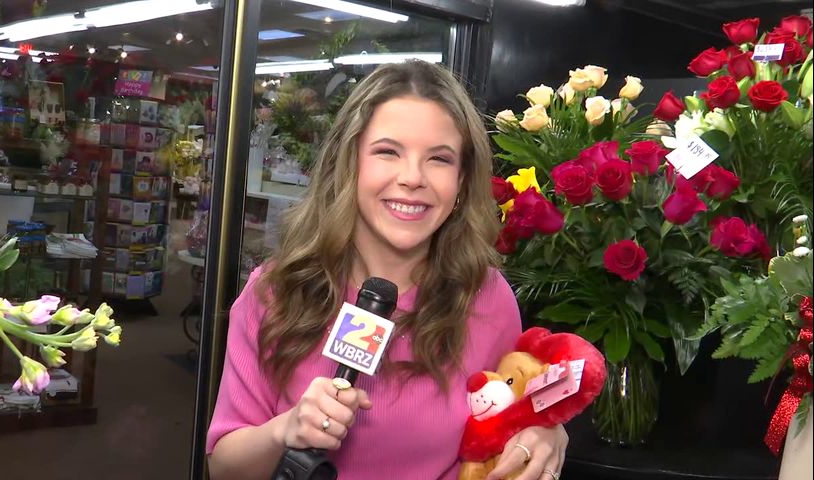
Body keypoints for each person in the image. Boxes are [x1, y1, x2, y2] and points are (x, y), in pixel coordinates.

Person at [206, 60, 568, 480]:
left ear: (462, 181)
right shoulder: (274, 292)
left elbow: (510, 408)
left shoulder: (486, 297)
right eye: (387, 152)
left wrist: (546, 431)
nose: (412, 178)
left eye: (439, 159)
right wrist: (285, 430)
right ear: (350, 163)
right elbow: (224, 468)